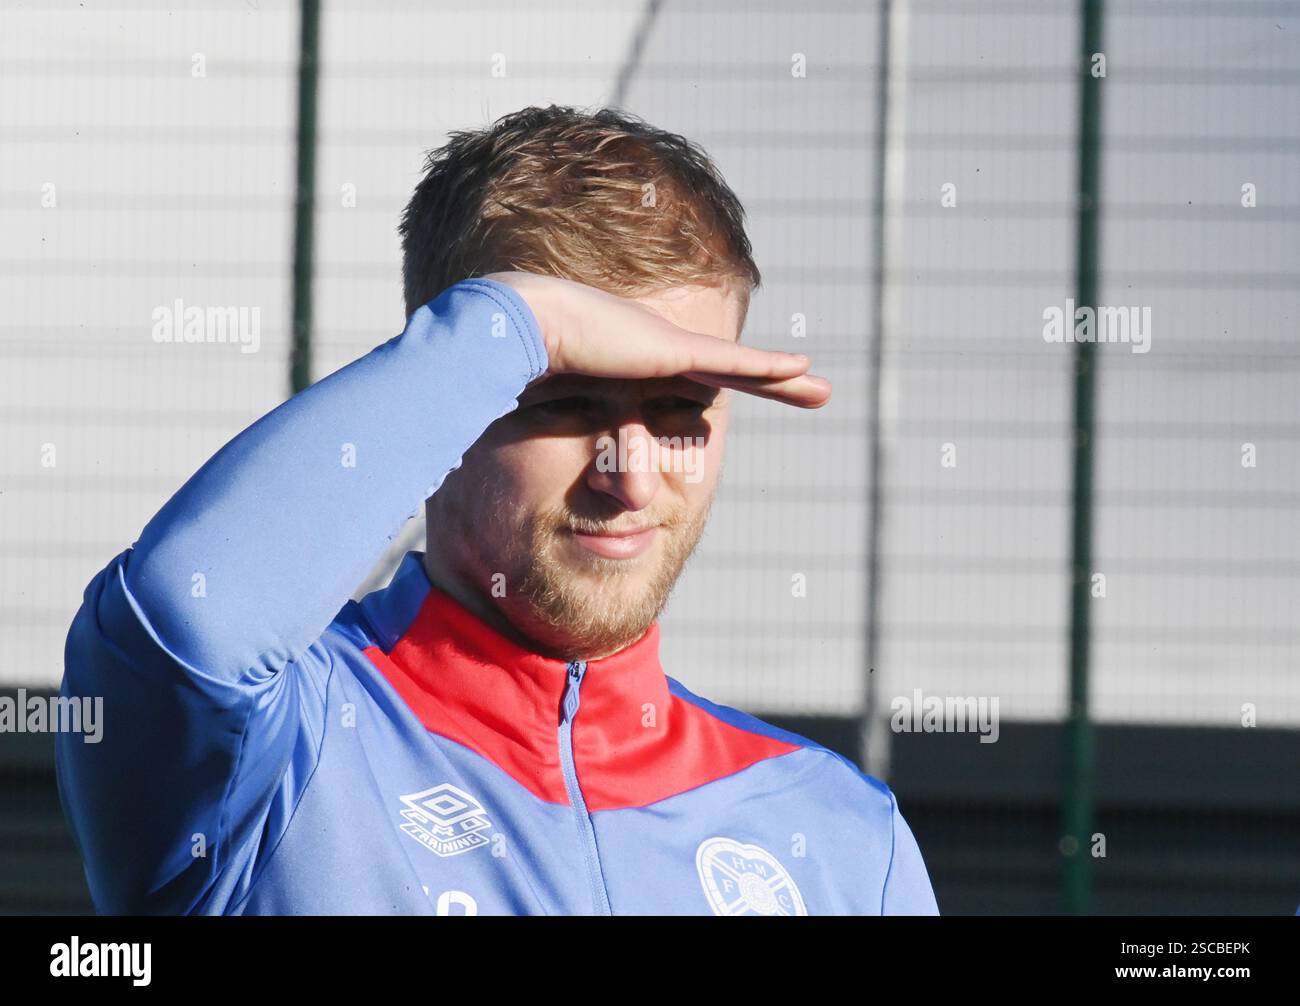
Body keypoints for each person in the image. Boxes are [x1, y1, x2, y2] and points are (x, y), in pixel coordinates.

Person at [56, 104, 939, 916]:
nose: (628, 478)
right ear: (448, 404)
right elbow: (184, 617)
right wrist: (521, 325)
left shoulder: (841, 840)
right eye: (560, 400)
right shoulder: (277, 752)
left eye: (678, 409)